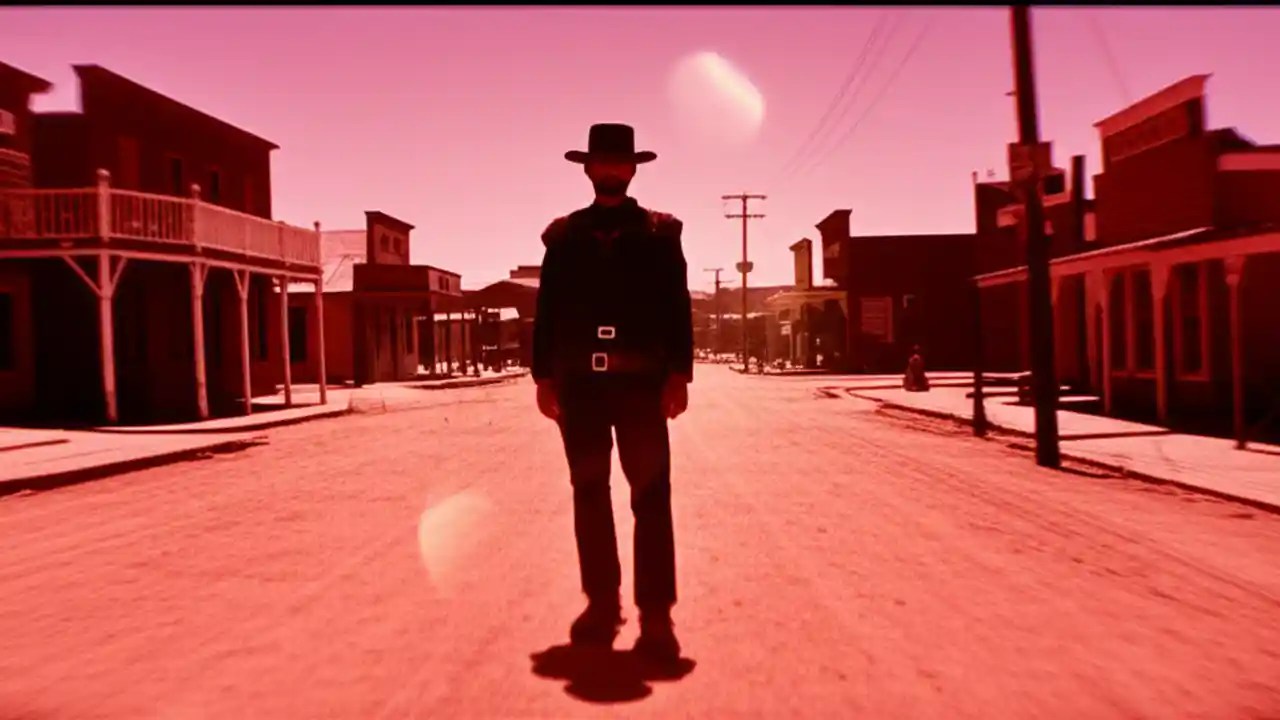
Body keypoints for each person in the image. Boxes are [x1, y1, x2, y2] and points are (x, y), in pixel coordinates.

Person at [532, 123, 693, 665]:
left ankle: (656, 615)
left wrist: (679, 374)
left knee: (650, 497)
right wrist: (542, 376)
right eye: (601, 161)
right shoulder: (565, 238)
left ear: (632, 169)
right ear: (588, 169)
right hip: (581, 387)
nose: (610, 169)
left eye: (619, 162)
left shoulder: (659, 235)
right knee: (589, 492)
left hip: (641, 386)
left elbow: (677, 307)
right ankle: (602, 604)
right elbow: (547, 310)